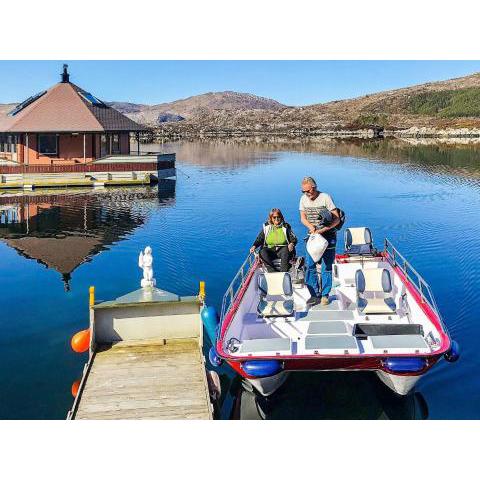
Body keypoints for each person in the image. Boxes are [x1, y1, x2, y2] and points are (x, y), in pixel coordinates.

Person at [299, 176, 340, 306]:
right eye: (303, 191)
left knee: (326, 267)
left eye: (308, 191)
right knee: (310, 265)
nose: (306, 194)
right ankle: (314, 294)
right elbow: (303, 218)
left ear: (314, 188)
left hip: (328, 236)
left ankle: (325, 295)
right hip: (313, 237)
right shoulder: (303, 199)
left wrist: (321, 230)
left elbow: (337, 219)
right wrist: (311, 227)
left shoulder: (325, 198)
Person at [250, 208, 297, 272]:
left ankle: (284, 272)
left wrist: (292, 243)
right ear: (271, 218)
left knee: (286, 250)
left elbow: (293, 238)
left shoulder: (286, 226)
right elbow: (260, 238)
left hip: (283, 251)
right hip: (270, 251)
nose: (276, 219)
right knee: (262, 251)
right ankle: (272, 271)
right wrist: (254, 246)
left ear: (281, 217)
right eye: (274, 217)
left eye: (278, 217)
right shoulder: (266, 227)